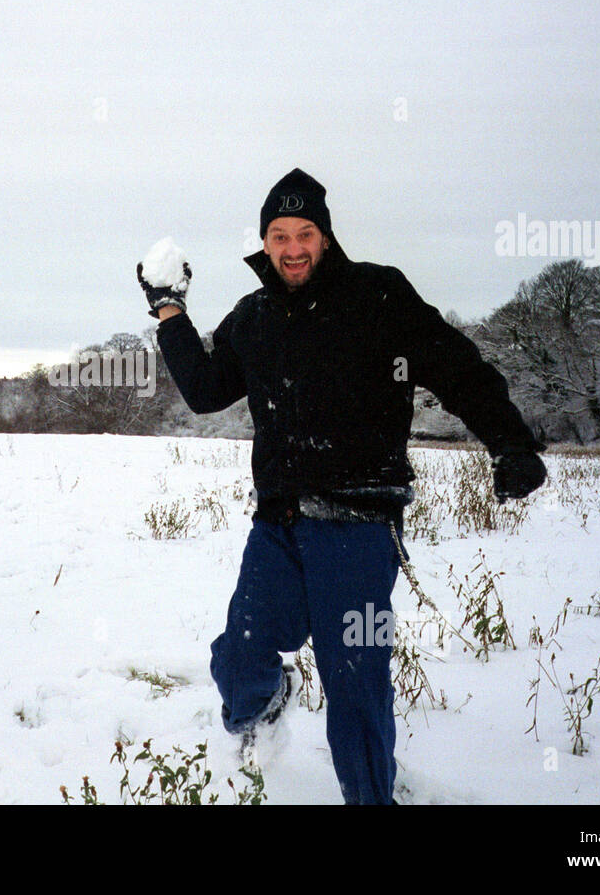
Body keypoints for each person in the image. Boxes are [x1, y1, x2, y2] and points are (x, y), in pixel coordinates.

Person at [137, 168, 547, 804]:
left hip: (359, 528)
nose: (293, 246)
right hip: (278, 528)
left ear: (325, 237)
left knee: (355, 689)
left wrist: (510, 441)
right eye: (279, 234)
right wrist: (169, 310)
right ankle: (264, 722)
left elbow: (457, 367)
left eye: (305, 232)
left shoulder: (378, 298)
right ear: (265, 242)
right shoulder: (254, 316)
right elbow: (206, 389)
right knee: (240, 660)